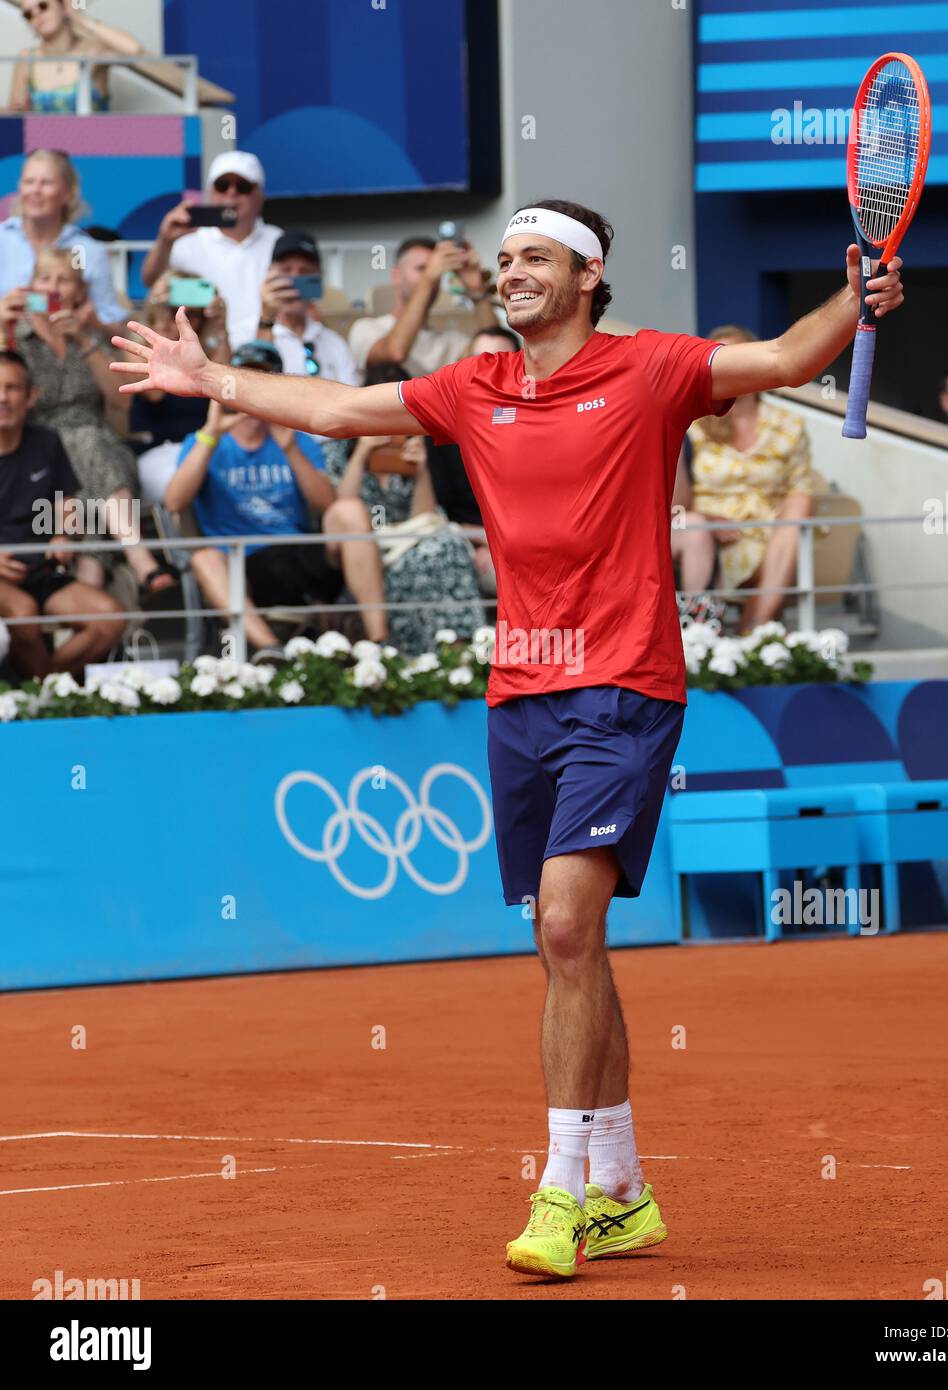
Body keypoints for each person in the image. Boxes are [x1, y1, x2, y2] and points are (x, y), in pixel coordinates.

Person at [111, 196, 906, 1282]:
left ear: (588, 276)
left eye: (535, 256)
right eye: (504, 258)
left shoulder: (653, 369)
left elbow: (778, 355)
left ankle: (561, 1186)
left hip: (623, 684)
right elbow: (341, 410)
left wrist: (852, 297)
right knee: (565, 943)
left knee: (570, 929)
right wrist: (214, 382)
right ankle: (623, 1187)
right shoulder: (472, 386)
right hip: (519, 692)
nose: (511, 270)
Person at [163, 340, 387, 653]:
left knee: (350, 510)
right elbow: (174, 502)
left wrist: (290, 448)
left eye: (263, 380)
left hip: (298, 555)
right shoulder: (203, 439)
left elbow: (328, 505)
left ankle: (380, 644)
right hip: (244, 563)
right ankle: (271, 651)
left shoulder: (297, 439)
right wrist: (210, 435)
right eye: (246, 380)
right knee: (204, 558)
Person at [4, 248, 177, 606]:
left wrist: (84, 340)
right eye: (45, 279)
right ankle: (136, 562)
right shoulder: (14, 334)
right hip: (37, 456)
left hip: (101, 447)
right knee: (78, 461)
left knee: (87, 461)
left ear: (78, 291)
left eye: (63, 280)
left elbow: (122, 400)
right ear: (31, 286)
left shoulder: (90, 336)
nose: (53, 287)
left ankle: (92, 611)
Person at [334, 363, 485, 654]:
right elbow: (340, 502)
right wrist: (362, 451)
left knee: (446, 548)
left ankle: (456, 652)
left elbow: (425, 519)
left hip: (411, 544)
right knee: (422, 562)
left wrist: (421, 471)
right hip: (361, 551)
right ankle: (401, 654)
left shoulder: (415, 446)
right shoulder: (341, 446)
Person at [681, 324, 815, 633]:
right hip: (713, 535)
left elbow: (800, 490)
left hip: (775, 536)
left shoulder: (788, 424)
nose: (729, 366)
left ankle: (755, 627)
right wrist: (705, 519)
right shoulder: (692, 423)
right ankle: (757, 633)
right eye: (719, 358)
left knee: (800, 504)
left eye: (736, 356)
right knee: (696, 531)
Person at [0, 350, 124, 677]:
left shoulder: (47, 442)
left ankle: (45, 689)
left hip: (43, 571)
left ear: (31, 397)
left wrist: (63, 533)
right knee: (24, 615)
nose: (3, 397)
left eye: (12, 388)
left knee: (110, 618)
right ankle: (51, 697)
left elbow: (65, 500)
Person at [141, 152, 282, 351]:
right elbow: (151, 281)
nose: (231, 193)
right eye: (222, 186)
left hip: (265, 347)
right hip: (206, 352)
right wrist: (164, 240)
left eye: (243, 187)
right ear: (210, 193)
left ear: (260, 195)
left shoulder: (279, 241)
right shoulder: (186, 240)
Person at [421, 326, 520, 597]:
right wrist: (483, 542)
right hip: (469, 546)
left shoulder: (541, 424)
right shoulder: (445, 431)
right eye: (477, 360)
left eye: (497, 360)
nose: (485, 370)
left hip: (529, 545)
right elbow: (437, 515)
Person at [127, 273, 231, 506]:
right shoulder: (140, 345)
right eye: (176, 310)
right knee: (189, 482)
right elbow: (155, 393)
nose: (183, 319)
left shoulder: (208, 354)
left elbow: (222, 388)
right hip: (157, 449)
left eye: (193, 314)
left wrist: (220, 326)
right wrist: (159, 314)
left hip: (206, 448)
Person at [0, 150, 126, 331]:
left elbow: (115, 325)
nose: (36, 190)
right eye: (29, 182)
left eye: (46, 183)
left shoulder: (86, 250)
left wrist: (89, 320)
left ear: (68, 193)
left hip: (69, 352)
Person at [350, 235, 500, 379]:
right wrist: (428, 279)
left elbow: (497, 351)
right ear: (396, 275)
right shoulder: (366, 328)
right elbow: (395, 353)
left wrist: (476, 288)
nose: (433, 275)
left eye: (436, 269)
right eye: (422, 268)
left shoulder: (450, 341)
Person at [256, 230, 358, 388]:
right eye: (286, 270)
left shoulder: (334, 343)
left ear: (318, 279)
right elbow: (253, 390)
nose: (294, 280)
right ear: (269, 274)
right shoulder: (242, 333)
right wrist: (266, 319)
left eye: (305, 272)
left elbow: (352, 401)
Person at [6, 0, 143, 114]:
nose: (36, 15)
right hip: (42, 143)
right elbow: (14, 115)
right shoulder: (27, 58)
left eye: (43, 6)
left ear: (62, 6)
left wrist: (80, 17)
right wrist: (15, 111)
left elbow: (134, 50)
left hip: (93, 141)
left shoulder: (92, 51)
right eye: (28, 14)